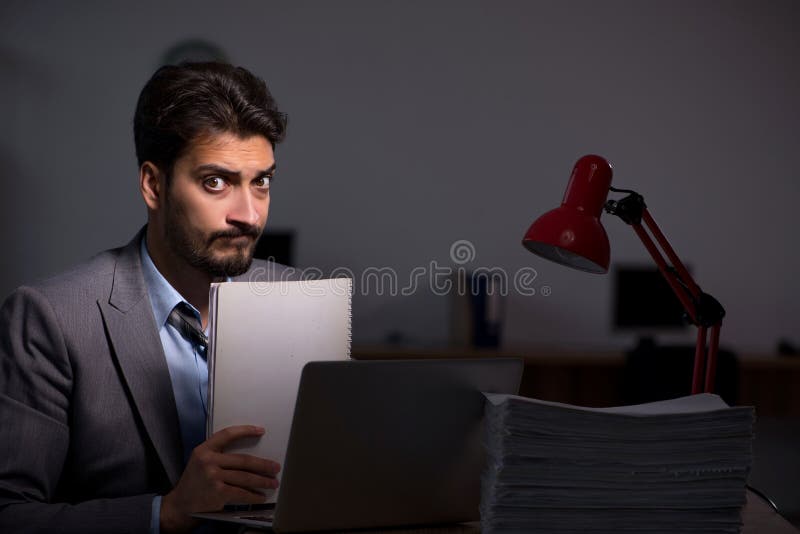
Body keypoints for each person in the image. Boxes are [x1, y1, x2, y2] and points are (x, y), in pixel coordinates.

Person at [0, 62, 293, 533]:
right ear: (153, 185)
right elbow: (10, 516)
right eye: (215, 182)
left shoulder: (300, 298)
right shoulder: (50, 318)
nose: (249, 214)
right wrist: (168, 513)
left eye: (261, 181)